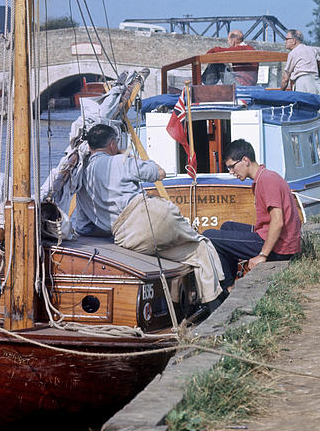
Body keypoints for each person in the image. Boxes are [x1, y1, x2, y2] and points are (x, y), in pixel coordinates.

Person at [72, 124, 224, 305]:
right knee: (199, 246)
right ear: (112, 144)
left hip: (126, 238)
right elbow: (160, 173)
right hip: (151, 216)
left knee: (177, 252)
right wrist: (123, 153)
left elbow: (82, 227)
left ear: (89, 147)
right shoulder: (120, 161)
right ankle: (213, 302)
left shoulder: (80, 177)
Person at [205, 139, 302, 289]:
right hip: (279, 240)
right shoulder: (266, 176)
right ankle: (234, 278)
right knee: (228, 226)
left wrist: (262, 255)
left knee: (209, 236)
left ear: (245, 160)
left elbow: (278, 221)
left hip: (279, 248)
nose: (231, 172)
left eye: (232, 167)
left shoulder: (266, 180)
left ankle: (229, 289)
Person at [281, 30, 320, 96]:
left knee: (302, 105)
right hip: (316, 83)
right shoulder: (313, 50)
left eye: (286, 39)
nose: (285, 41)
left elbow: (285, 79)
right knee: (318, 105)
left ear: (293, 41)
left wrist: (280, 93)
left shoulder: (293, 53)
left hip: (302, 84)